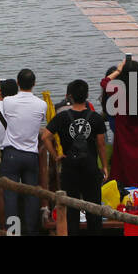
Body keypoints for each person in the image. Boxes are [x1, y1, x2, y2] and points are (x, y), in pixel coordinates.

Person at [45, 79, 107, 234]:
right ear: (87, 95)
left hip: (69, 167)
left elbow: (45, 137)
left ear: (70, 96)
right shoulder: (95, 118)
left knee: (71, 209)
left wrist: (56, 155)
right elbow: (101, 145)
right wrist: (105, 166)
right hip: (90, 167)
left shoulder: (62, 117)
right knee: (94, 208)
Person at [0, 68, 48, 235]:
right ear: (34, 84)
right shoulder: (42, 104)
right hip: (31, 154)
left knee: (10, 195)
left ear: (18, 83)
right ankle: (31, 231)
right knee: (31, 194)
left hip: (11, 153)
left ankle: (13, 232)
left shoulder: (8, 102)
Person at [101, 58, 138, 195]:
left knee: (123, 169)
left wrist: (119, 70)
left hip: (123, 137)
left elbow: (104, 82)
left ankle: (125, 196)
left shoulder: (117, 91)